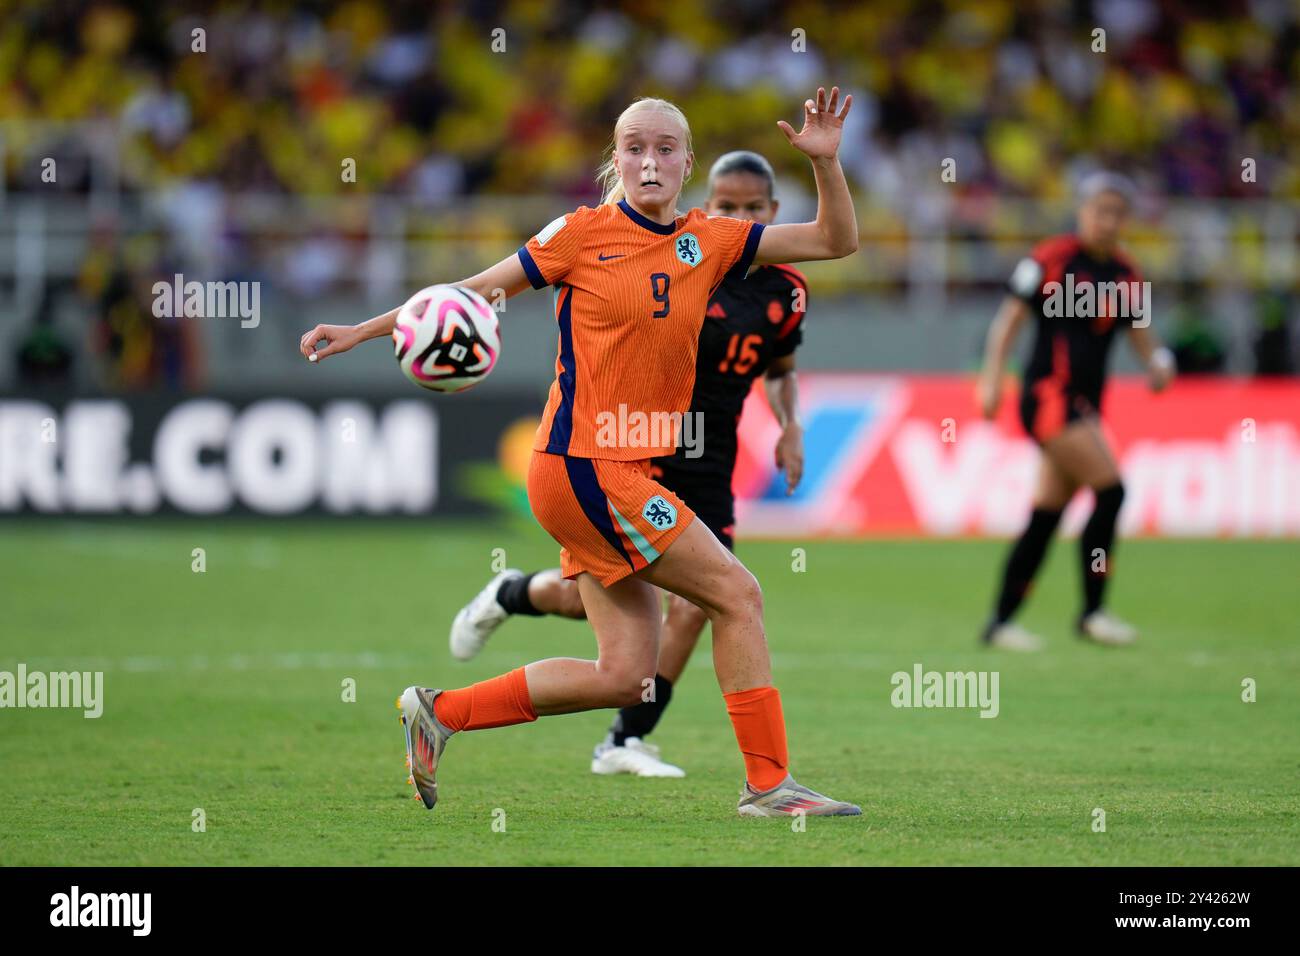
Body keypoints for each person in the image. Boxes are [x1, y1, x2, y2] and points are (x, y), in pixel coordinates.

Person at [300, 87, 860, 816]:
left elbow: (835, 241)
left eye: (665, 149)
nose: (649, 161)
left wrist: (824, 163)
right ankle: (768, 786)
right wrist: (361, 331)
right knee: (738, 594)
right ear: (616, 159)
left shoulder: (710, 241)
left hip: (613, 473)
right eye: (634, 147)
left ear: (688, 163)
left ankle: (440, 712)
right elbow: (469, 292)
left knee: (628, 674)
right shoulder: (578, 235)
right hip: (585, 467)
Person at [447, 150, 808, 778]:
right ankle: (750, 778)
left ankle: (502, 698)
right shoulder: (677, 252)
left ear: (771, 214)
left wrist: (790, 423)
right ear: (707, 201)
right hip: (630, 452)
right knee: (718, 596)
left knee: (673, 622)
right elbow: (489, 291)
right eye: (727, 206)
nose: (739, 217)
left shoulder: (783, 291)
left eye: (754, 210)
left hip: (708, 455)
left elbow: (781, 369)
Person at [976, 172, 1175, 651]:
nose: (1107, 221)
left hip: (1085, 406)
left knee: (1047, 514)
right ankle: (1092, 612)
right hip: (1049, 398)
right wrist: (991, 380)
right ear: (1082, 212)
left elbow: (1140, 334)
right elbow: (1008, 323)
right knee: (1112, 491)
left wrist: (1156, 363)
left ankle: (1001, 623)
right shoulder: (1051, 259)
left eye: (1116, 213)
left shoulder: (1127, 273)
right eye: (1099, 211)